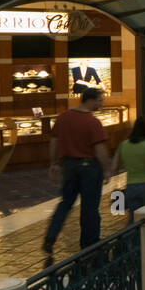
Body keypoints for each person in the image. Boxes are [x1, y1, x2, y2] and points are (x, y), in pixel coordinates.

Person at [43, 87, 112, 254]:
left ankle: (50, 237)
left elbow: (54, 141)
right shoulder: (92, 122)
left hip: (69, 166)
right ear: (91, 100)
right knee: (90, 207)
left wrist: (54, 163)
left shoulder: (63, 117)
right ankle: (90, 242)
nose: (101, 103)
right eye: (100, 100)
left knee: (65, 202)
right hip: (89, 168)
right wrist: (107, 168)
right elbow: (99, 149)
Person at [112, 115, 145, 222]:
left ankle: (131, 237)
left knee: (134, 218)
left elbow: (114, 167)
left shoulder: (123, 145)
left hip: (131, 186)